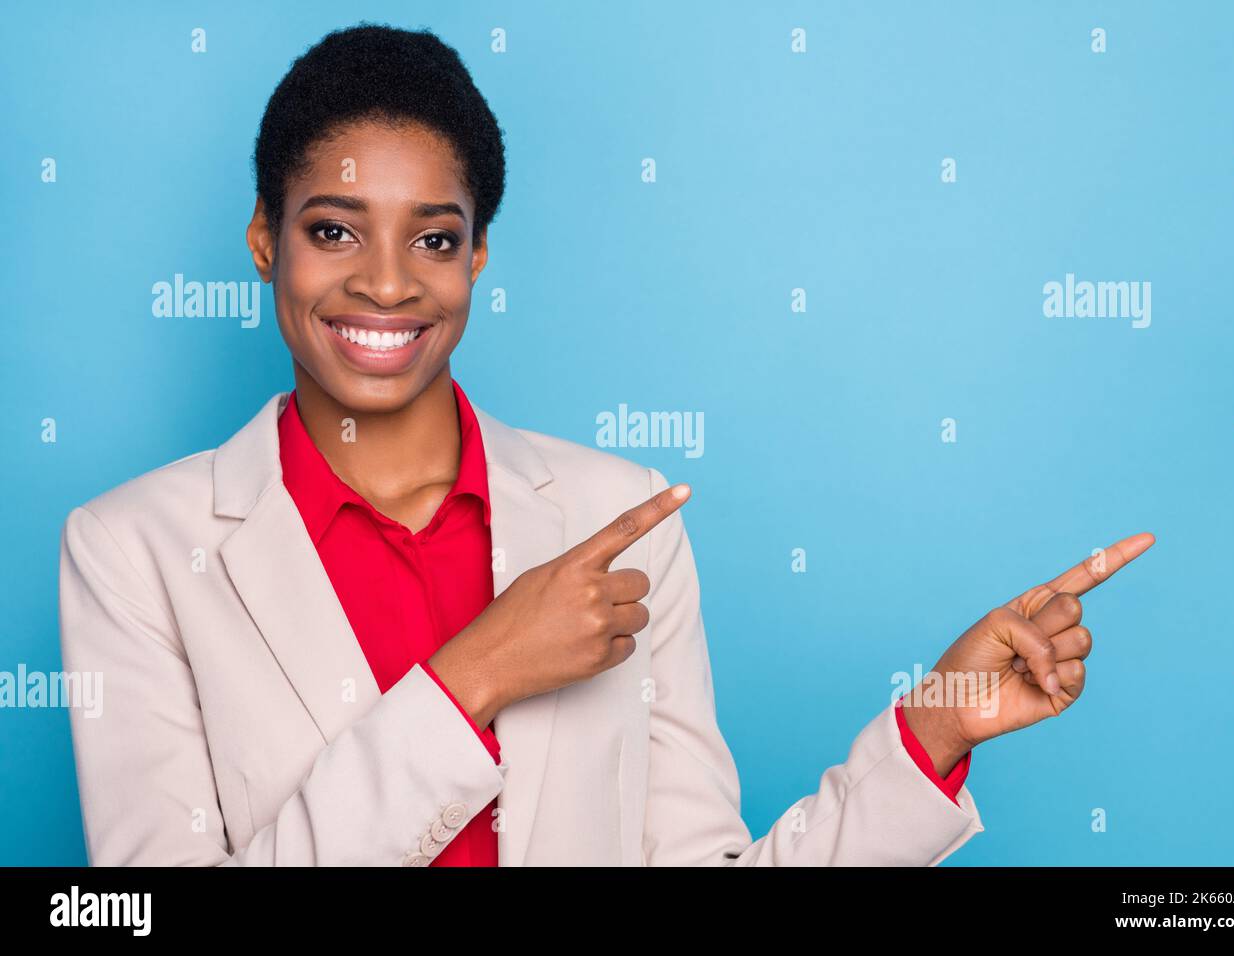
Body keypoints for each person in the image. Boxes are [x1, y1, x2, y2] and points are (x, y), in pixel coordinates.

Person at [57, 23, 1154, 866]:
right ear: (264, 239)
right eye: (332, 228)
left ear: (478, 256)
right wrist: (476, 673)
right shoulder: (132, 549)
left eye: (433, 237)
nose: (385, 281)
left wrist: (931, 729)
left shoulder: (618, 516)